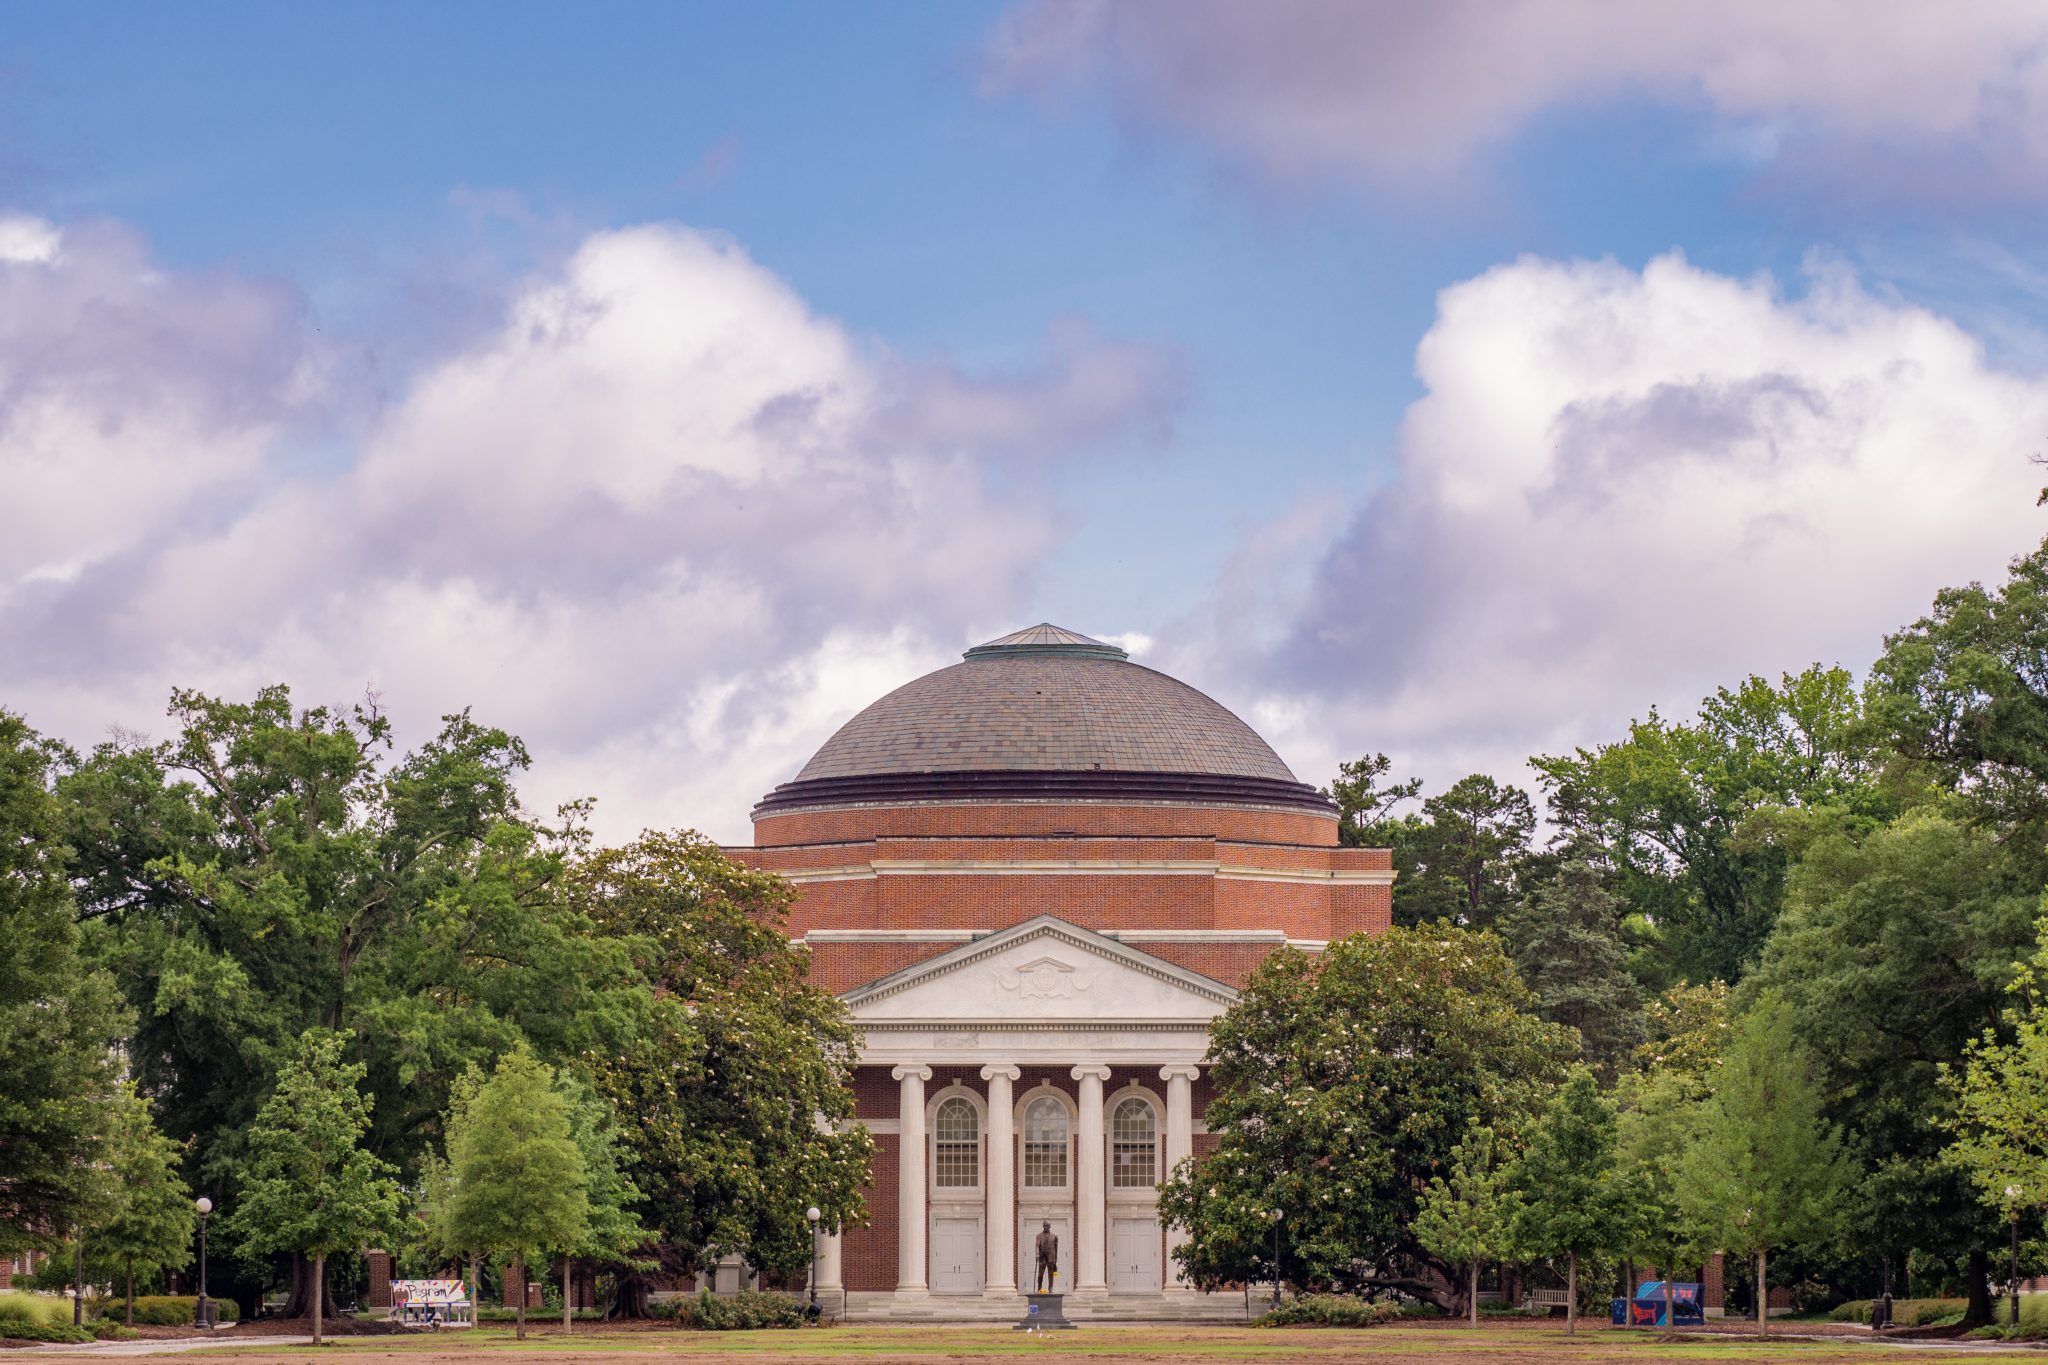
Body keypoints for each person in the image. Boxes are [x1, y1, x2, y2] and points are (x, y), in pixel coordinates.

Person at [1034, 1221, 1060, 1293]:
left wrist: (1056, 1258)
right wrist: (1037, 1254)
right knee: (1040, 1274)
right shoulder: (1039, 1236)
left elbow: (1056, 1248)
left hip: (1051, 1258)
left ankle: (1050, 1288)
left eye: (1047, 1226)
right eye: (1045, 1226)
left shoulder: (1054, 1236)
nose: (1046, 1227)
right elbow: (1037, 1245)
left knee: (1050, 1275)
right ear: (1043, 1226)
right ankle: (1039, 1288)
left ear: (1049, 1226)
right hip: (1042, 1258)